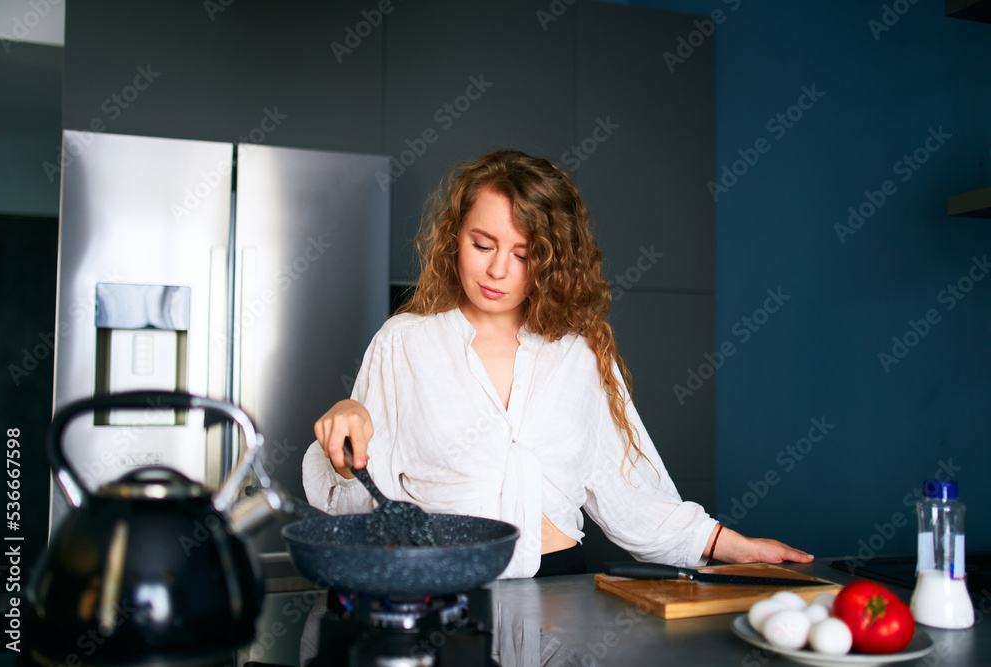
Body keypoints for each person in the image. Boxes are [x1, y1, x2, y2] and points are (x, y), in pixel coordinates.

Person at [303, 149, 812, 578]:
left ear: (551, 259)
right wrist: (348, 427)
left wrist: (728, 544)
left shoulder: (578, 353)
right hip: (439, 583)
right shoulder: (403, 344)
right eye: (482, 244)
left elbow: (626, 489)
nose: (498, 269)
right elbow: (360, 501)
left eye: (524, 255)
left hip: (560, 586)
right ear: (454, 236)